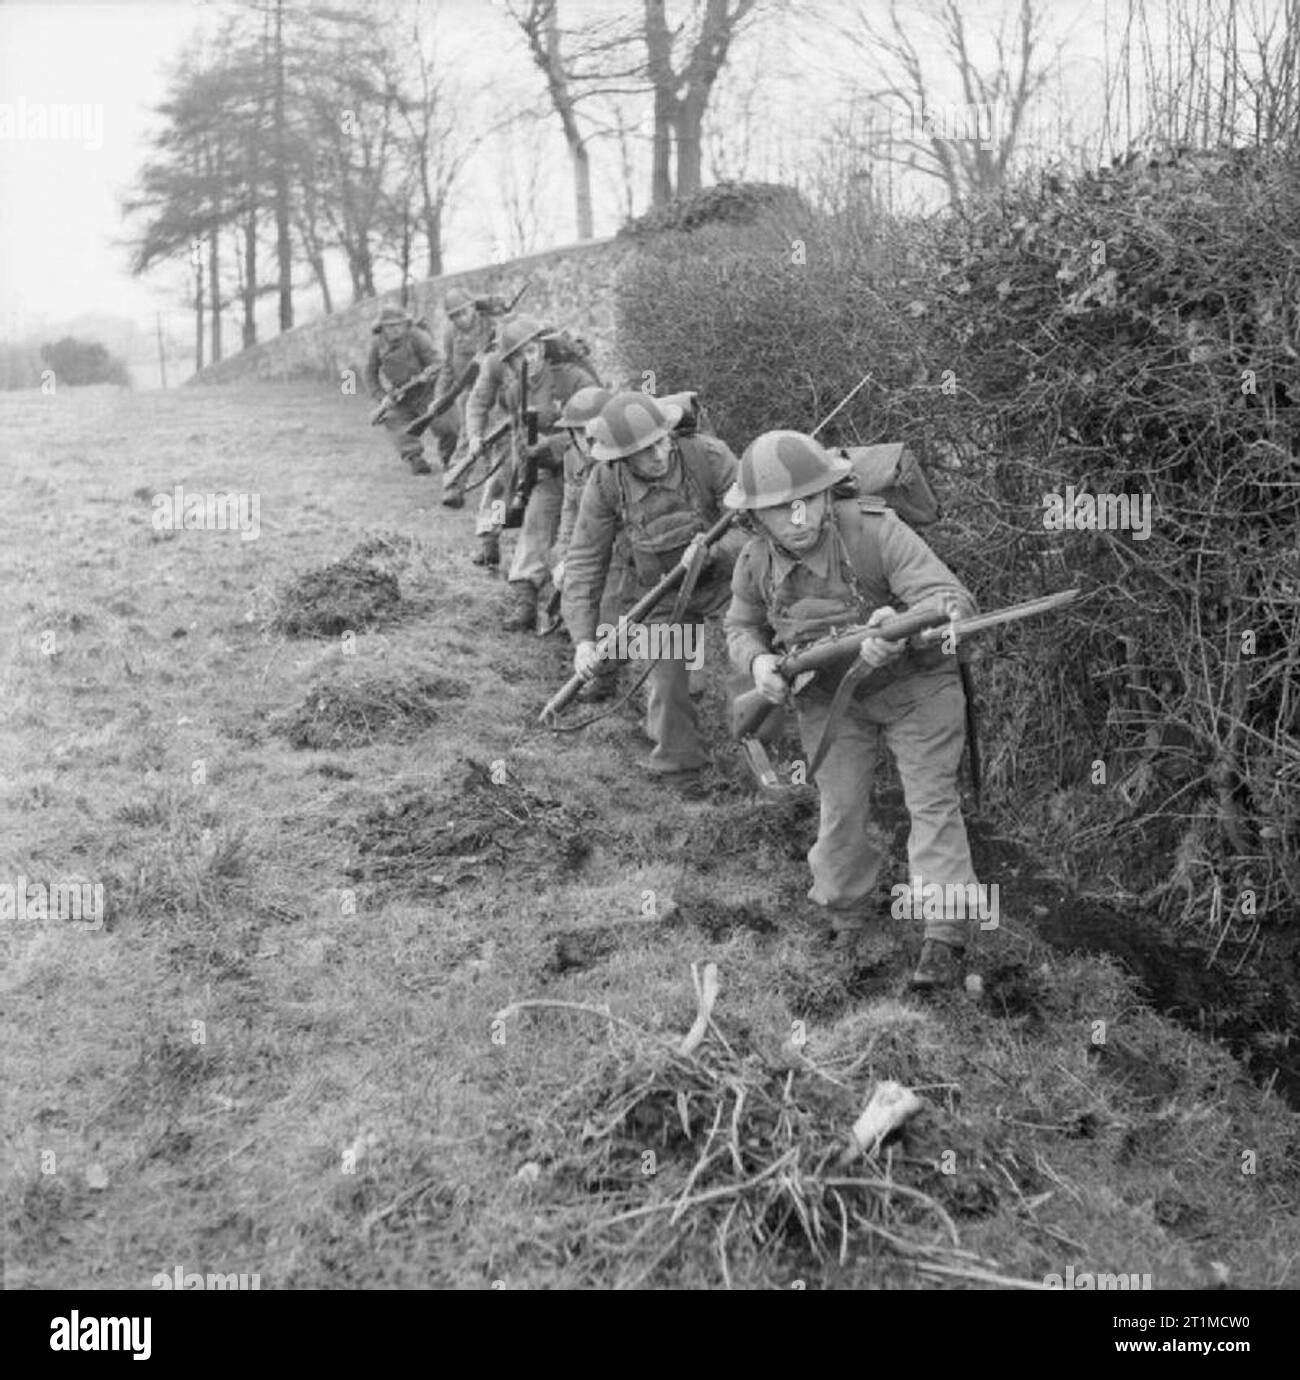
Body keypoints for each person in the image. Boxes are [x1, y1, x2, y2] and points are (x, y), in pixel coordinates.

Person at [722, 429, 982, 989]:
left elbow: (953, 602)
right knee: (840, 808)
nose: (797, 518)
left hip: (918, 688)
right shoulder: (753, 562)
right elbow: (741, 626)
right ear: (754, 519)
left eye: (807, 501)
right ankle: (844, 916)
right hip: (830, 701)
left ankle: (945, 935)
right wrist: (760, 664)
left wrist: (903, 630)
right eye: (778, 510)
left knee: (932, 804)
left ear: (826, 492)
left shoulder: (873, 530)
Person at [563, 391, 746, 778]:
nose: (659, 455)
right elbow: (585, 560)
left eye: (662, 441)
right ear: (622, 457)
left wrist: (713, 552)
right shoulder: (606, 482)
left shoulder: (709, 456)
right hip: (662, 594)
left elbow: (755, 526)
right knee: (666, 682)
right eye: (645, 451)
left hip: (727, 585)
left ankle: (759, 754)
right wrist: (583, 640)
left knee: (748, 665)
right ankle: (681, 768)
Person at [464, 314, 599, 632]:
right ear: (509, 365)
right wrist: (524, 470)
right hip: (549, 475)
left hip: (588, 468)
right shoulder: (514, 394)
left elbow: (598, 427)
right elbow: (516, 438)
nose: (530, 360)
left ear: (542, 348)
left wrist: (551, 443)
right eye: (519, 357)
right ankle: (525, 600)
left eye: (533, 351)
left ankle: (584, 612)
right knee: (535, 524)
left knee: (591, 536)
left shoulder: (573, 379)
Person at [551, 386, 625, 701]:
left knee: (610, 602)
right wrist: (563, 557)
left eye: (593, 430)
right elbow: (570, 511)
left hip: (625, 545)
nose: (588, 438)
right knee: (571, 582)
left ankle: (606, 675)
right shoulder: (572, 459)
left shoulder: (621, 461)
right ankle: (586, 653)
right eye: (580, 432)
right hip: (590, 541)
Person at [434, 286, 498, 509]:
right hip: (470, 393)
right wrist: (440, 396)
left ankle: (497, 495)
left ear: (473, 307)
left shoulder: (492, 323)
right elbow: (448, 367)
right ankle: (454, 486)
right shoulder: (451, 334)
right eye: (454, 316)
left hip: (497, 389)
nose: (460, 319)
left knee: (497, 442)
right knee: (466, 439)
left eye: (463, 312)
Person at [364, 305, 441, 475]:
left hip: (429, 392)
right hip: (402, 397)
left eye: (399, 324)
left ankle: (451, 458)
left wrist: (428, 375)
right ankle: (415, 458)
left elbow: (437, 363)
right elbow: (370, 374)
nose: (395, 329)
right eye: (390, 326)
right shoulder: (377, 345)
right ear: (381, 327)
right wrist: (382, 397)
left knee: (446, 426)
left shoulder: (417, 336)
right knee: (391, 418)